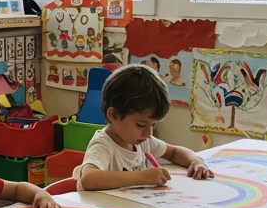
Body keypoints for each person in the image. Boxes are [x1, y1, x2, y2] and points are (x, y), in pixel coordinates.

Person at [75, 65, 212, 191]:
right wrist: (141, 177)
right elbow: (89, 179)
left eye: (153, 125)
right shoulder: (104, 145)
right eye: (140, 125)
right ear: (113, 115)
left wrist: (196, 161)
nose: (148, 132)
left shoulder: (142, 141)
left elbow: (174, 152)